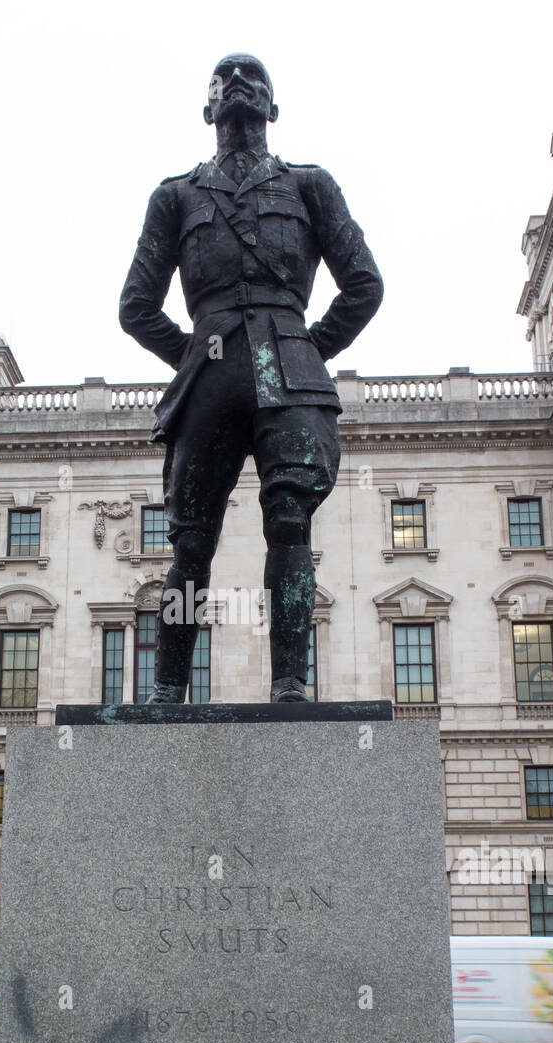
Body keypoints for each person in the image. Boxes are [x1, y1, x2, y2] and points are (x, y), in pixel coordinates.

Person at [120, 54, 382, 702]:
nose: (237, 84)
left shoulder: (309, 186)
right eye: (223, 80)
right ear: (208, 109)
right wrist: (192, 353)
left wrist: (306, 348)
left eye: (253, 78)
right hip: (209, 369)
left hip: (287, 365)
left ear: (271, 106)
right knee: (189, 540)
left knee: (290, 521)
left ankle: (290, 685)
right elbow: (135, 306)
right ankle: (168, 688)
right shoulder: (174, 195)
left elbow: (364, 284)